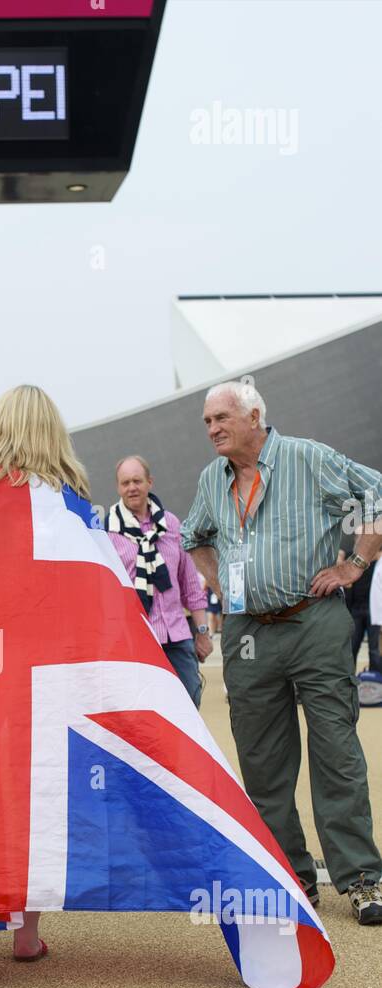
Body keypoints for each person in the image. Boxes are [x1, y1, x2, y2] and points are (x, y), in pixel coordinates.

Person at [0, 385, 334, 988]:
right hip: (60, 677)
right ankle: (28, 934)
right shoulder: (72, 503)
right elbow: (107, 602)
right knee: (41, 787)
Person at [181, 378, 382, 926]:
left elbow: (376, 495)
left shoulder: (306, 458)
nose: (213, 429)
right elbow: (193, 535)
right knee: (263, 760)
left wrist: (354, 566)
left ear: (254, 417)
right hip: (248, 633)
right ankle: (291, 874)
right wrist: (219, 580)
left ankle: (361, 877)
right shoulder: (211, 479)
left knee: (336, 749)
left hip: (313, 622)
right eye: (207, 422)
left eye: (222, 418)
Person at [106, 455, 212, 706]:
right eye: (125, 483)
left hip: (177, 637)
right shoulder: (106, 531)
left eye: (137, 481)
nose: (131, 488)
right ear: (118, 487)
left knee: (190, 705)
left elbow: (190, 585)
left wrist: (203, 632)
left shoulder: (172, 524)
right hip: (135, 641)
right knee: (146, 716)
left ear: (149, 482)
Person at [338, 530, 381, 675]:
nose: (359, 539)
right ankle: (350, 681)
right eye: (357, 536)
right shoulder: (352, 559)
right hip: (356, 610)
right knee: (352, 647)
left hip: (374, 612)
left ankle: (377, 687)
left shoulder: (379, 560)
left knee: (375, 651)